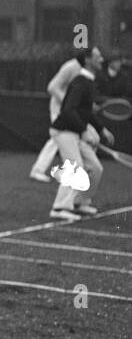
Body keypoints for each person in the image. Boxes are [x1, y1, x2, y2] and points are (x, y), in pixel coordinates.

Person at [48, 47, 114, 221]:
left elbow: (86, 111)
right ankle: (59, 207)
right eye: (98, 57)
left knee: (96, 168)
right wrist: (84, 130)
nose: (101, 60)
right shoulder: (80, 81)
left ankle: (80, 202)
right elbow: (68, 110)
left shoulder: (88, 81)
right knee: (75, 166)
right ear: (87, 60)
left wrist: (101, 129)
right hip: (63, 131)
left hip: (74, 131)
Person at [29, 47, 86, 182]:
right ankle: (37, 170)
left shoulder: (84, 70)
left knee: (64, 139)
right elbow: (52, 87)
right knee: (58, 137)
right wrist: (68, 103)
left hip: (68, 108)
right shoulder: (70, 67)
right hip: (59, 108)